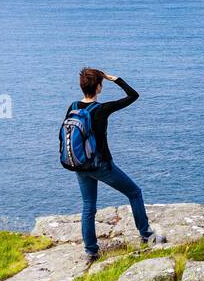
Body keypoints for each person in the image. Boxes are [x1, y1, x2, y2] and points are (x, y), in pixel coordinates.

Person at [69, 67, 165, 260]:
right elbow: (133, 95)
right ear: (98, 87)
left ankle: (91, 251)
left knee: (88, 205)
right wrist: (116, 79)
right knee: (134, 192)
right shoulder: (102, 109)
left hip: (80, 165)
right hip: (101, 165)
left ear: (82, 86)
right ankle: (147, 235)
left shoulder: (73, 107)